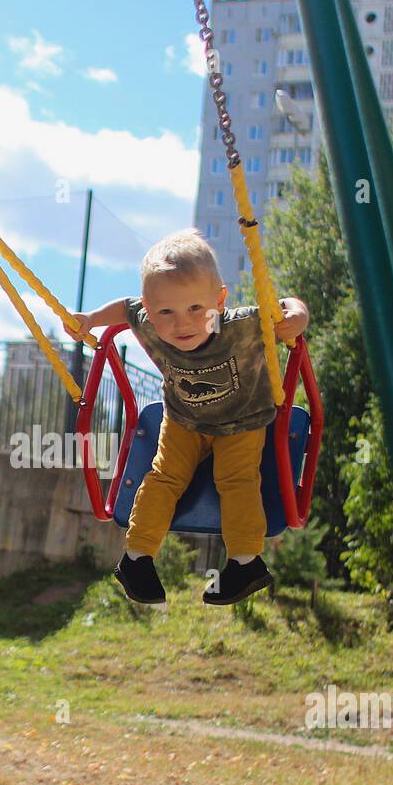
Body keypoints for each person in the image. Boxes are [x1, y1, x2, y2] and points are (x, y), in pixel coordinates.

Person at [67, 229, 309, 606]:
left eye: (196, 309)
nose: (182, 323)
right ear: (150, 310)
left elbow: (285, 303)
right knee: (163, 477)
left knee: (238, 480)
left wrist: (297, 316)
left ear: (220, 300)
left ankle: (245, 563)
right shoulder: (147, 319)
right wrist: (92, 319)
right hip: (182, 420)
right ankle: (137, 559)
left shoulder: (244, 326)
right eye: (166, 312)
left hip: (241, 422)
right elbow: (125, 308)